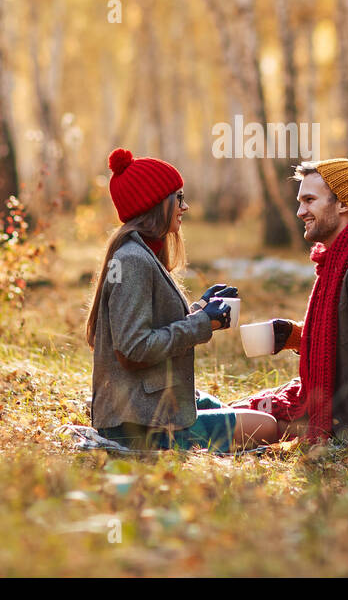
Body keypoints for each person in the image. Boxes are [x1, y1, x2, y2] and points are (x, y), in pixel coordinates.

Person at [86, 148, 280, 451]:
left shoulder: (137, 254)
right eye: (178, 198)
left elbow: (145, 327)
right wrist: (203, 323)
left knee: (232, 409)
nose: (185, 206)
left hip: (142, 409)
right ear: (155, 202)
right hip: (139, 426)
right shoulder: (133, 260)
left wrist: (200, 310)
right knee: (267, 426)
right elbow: (133, 349)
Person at [233, 158, 348, 457]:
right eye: (300, 201)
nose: (300, 212)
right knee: (230, 411)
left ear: (344, 204)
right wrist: (294, 337)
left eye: (310, 200)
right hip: (334, 408)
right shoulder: (342, 258)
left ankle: (148, 438)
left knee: (220, 425)